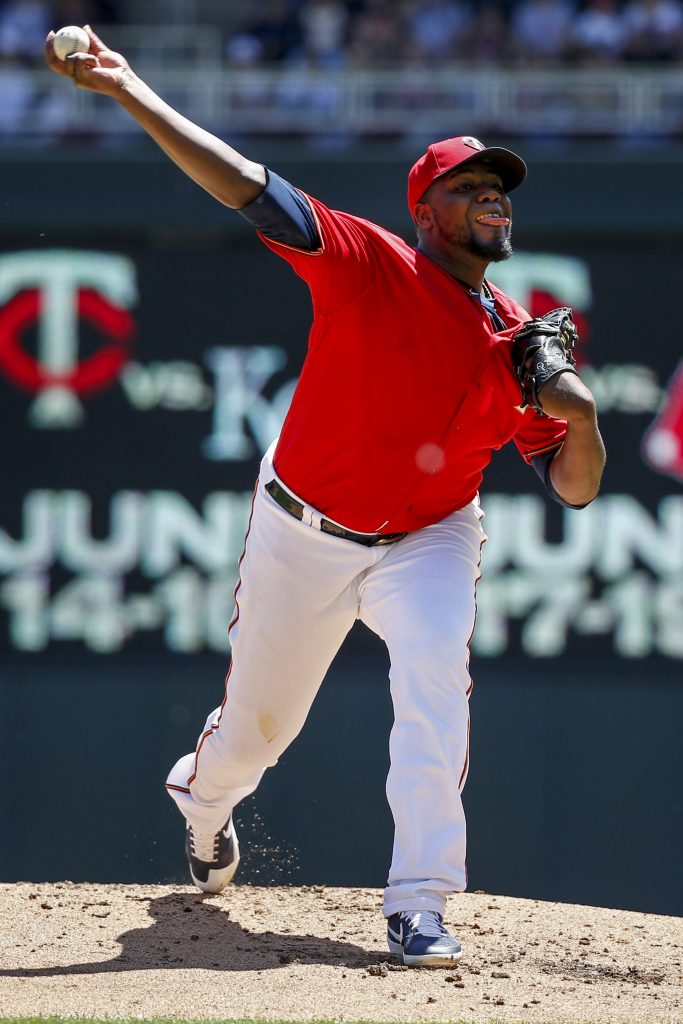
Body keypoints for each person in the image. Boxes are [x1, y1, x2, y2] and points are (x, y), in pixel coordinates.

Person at [45, 26, 606, 968]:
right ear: (425, 210)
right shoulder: (372, 261)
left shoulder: (513, 338)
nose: (492, 198)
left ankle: (419, 903)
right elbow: (243, 184)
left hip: (430, 535)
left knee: (434, 679)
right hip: (304, 527)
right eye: (469, 187)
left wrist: (581, 421)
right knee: (259, 734)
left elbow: (574, 492)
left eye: (498, 187)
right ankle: (204, 800)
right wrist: (131, 90)